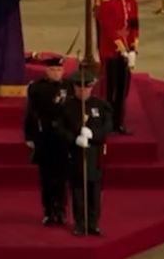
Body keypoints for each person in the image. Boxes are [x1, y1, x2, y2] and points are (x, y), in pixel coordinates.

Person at [56, 68, 113, 236]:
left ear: (91, 88)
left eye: (86, 88)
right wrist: (74, 138)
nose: (83, 91)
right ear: (74, 88)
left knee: (94, 191)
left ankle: (93, 223)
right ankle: (80, 223)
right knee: (78, 191)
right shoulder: (67, 107)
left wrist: (93, 134)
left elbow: (108, 126)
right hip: (75, 154)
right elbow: (60, 128)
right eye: (79, 88)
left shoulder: (101, 106)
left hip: (94, 155)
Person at [24, 56, 71, 226]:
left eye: (59, 70)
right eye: (52, 70)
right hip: (45, 137)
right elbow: (30, 113)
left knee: (62, 177)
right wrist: (29, 137)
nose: (56, 73)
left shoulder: (69, 87)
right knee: (47, 177)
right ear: (46, 71)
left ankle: (61, 210)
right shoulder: (37, 88)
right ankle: (49, 210)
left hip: (64, 138)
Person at [97, 0, 138, 135]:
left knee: (123, 89)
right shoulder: (107, 4)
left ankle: (118, 121)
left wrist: (134, 49)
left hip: (126, 51)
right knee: (111, 88)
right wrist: (123, 50)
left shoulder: (131, 3)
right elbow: (110, 30)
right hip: (111, 53)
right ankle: (108, 121)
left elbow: (134, 26)